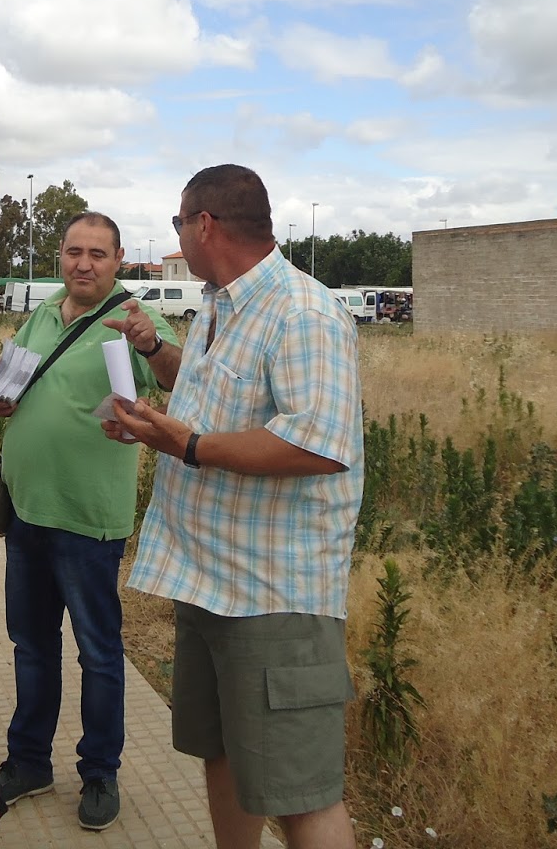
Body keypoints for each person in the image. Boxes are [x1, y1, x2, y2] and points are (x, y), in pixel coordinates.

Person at [105, 165, 364, 849]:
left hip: (273, 596)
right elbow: (216, 401)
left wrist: (185, 443)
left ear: (205, 225)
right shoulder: (223, 305)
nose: (179, 238)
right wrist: (156, 421)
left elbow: (320, 443)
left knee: (300, 791)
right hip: (210, 583)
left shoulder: (302, 312)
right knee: (222, 755)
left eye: (176, 225)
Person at [0, 212, 179, 830]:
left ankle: (99, 772)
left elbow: (180, 378)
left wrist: (150, 345)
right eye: (73, 252)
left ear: (119, 259)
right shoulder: (42, 315)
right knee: (30, 645)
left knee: (98, 650)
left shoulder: (135, 319)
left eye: (97, 253)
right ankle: (30, 761)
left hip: (90, 518)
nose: (83, 263)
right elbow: (5, 383)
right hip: (27, 510)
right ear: (60, 257)